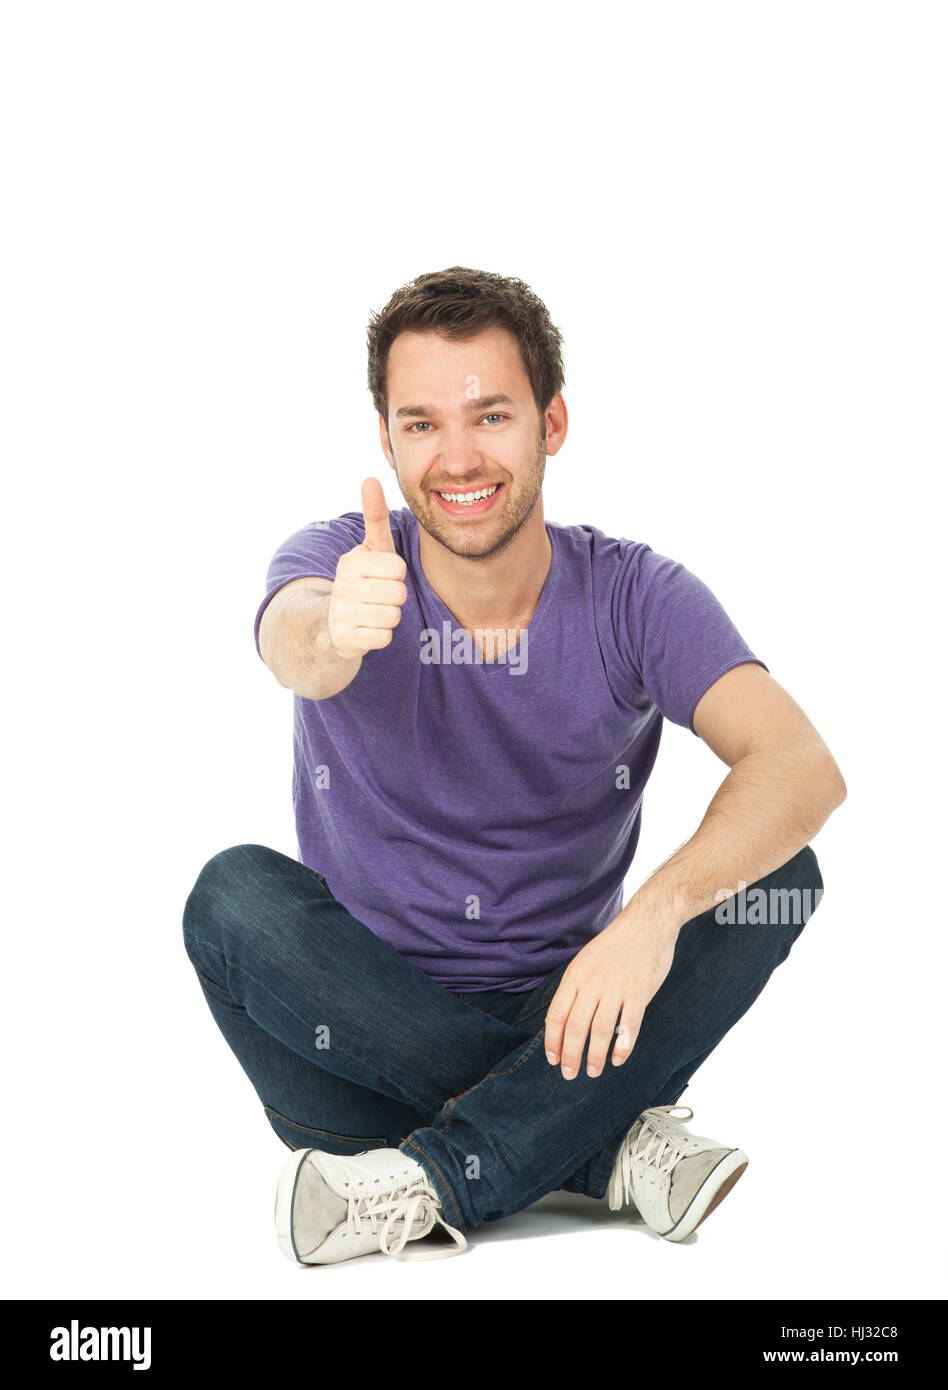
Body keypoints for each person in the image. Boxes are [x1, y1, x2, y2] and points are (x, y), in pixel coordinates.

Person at [182, 266, 846, 1266]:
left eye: (490, 414)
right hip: (352, 1045)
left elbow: (800, 765)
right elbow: (290, 640)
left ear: (553, 421)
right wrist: (334, 631)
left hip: (580, 1014)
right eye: (420, 424)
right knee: (231, 894)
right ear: (387, 440)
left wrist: (654, 917)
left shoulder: (639, 595)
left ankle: (427, 1178)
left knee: (782, 879)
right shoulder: (338, 560)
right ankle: (600, 1143)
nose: (457, 457)